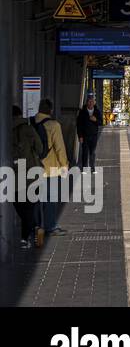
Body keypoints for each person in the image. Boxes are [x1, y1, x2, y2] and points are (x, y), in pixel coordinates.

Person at [32, 98, 69, 246]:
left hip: (33, 168)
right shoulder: (54, 125)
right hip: (51, 169)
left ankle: (37, 226)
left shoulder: (31, 123)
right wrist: (64, 166)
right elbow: (59, 148)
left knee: (36, 200)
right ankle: (50, 227)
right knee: (50, 200)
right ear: (51, 110)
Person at [10, 105, 41, 249]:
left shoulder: (4, 131)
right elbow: (40, 148)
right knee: (29, 207)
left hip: (11, 177)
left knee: (19, 205)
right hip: (31, 175)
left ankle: (29, 232)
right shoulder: (28, 129)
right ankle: (27, 235)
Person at [76, 93, 102, 169]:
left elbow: (101, 122)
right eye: (89, 101)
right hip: (85, 135)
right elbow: (79, 125)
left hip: (94, 136)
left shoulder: (97, 111)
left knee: (92, 152)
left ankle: (92, 167)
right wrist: (80, 136)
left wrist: (96, 120)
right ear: (87, 102)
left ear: (94, 102)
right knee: (85, 152)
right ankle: (84, 168)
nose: (90, 103)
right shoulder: (82, 112)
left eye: (92, 101)